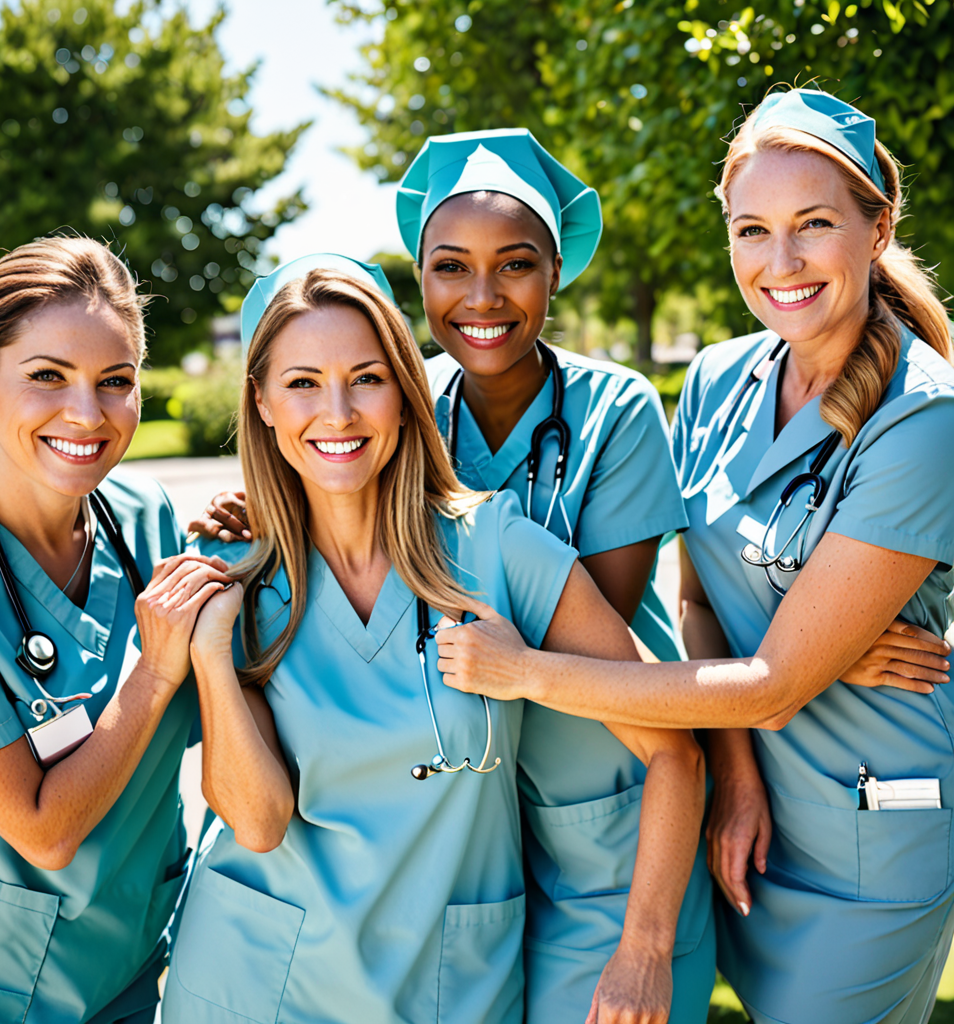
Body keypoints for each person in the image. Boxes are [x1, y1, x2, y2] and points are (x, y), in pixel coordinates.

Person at [433, 89, 954, 1024]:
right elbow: (702, 598)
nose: (780, 262)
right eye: (752, 230)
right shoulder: (720, 376)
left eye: (814, 225)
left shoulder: (926, 420)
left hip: (872, 833)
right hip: (750, 806)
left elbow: (773, 682)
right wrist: (740, 771)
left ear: (877, 231)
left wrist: (522, 671)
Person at [162, 261, 706, 1024]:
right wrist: (213, 657)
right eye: (303, 384)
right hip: (258, 983)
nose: (339, 412)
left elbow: (674, 753)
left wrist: (644, 951)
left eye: (367, 378)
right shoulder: (237, 582)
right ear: (262, 400)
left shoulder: (500, 549)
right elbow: (255, 821)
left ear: (406, 390)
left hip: (447, 987)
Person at [0, 237, 230, 1023]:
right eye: (47, 377)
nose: (88, 414)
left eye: (115, 382)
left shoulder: (146, 517)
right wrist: (154, 674)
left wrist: (267, 536)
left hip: (130, 970)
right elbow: (44, 831)